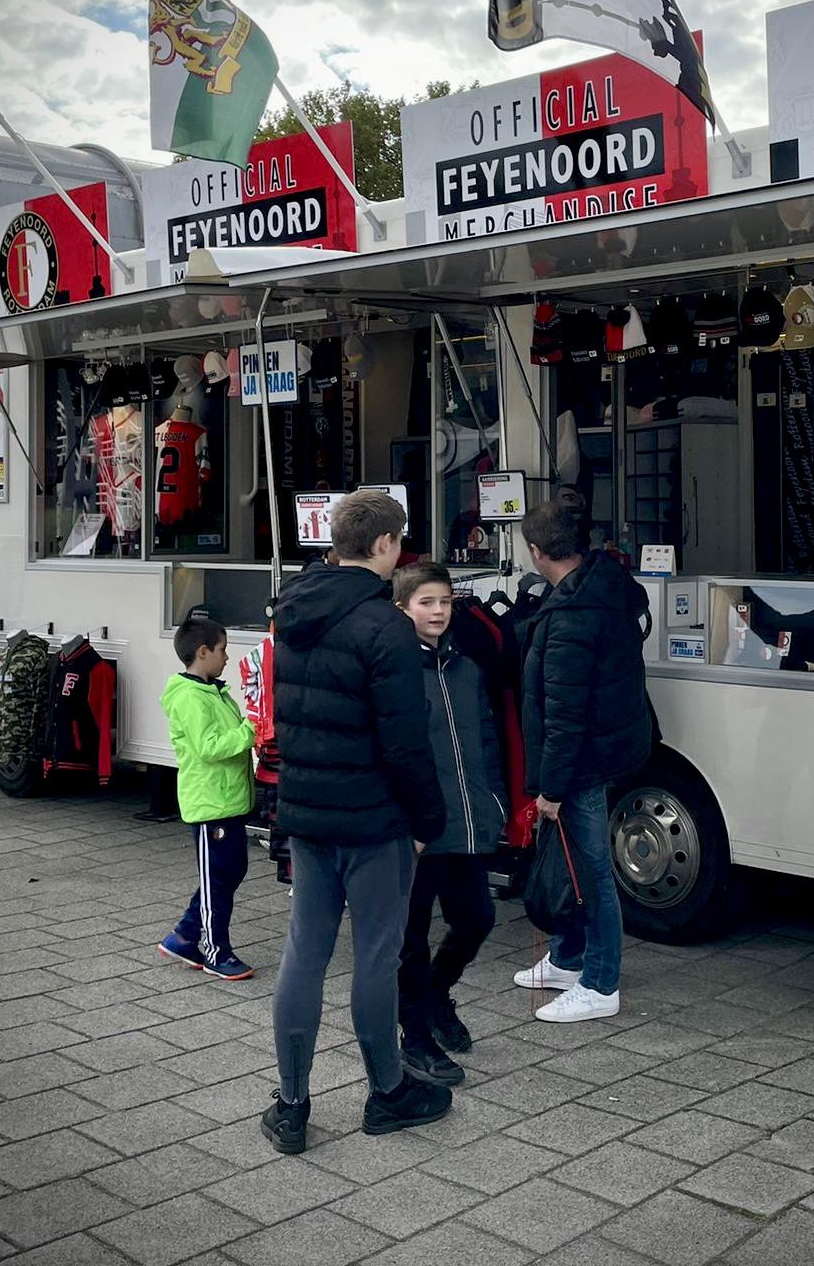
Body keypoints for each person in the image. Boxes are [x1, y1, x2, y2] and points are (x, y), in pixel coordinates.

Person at [261, 490, 450, 1155]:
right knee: (375, 954)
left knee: (304, 952)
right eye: (398, 539)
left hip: (308, 813)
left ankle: (290, 1104)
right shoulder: (385, 628)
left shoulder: (292, 612)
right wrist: (429, 817)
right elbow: (406, 743)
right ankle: (388, 1091)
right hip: (374, 821)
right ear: (383, 546)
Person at [513, 501, 652, 1023]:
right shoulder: (603, 585)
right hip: (611, 746)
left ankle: (600, 982)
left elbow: (565, 715)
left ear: (535, 551)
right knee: (574, 861)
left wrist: (550, 789)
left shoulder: (571, 615)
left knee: (591, 870)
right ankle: (570, 958)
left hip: (583, 761)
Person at [392, 561, 506, 1086]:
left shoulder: (464, 666)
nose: (438, 612)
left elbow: (485, 738)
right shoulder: (394, 669)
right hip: (418, 832)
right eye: (426, 603)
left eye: (444, 602)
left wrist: (494, 803)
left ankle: (438, 995)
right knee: (410, 938)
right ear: (403, 609)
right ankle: (413, 1036)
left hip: (465, 822)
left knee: (477, 918)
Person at [157, 617, 257, 982]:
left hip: (227, 800)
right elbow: (210, 747)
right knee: (219, 879)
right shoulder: (189, 696)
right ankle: (215, 951)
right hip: (210, 803)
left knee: (229, 873)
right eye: (222, 650)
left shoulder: (212, 690)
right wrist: (253, 729)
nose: (227, 657)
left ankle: (184, 936)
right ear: (202, 652)